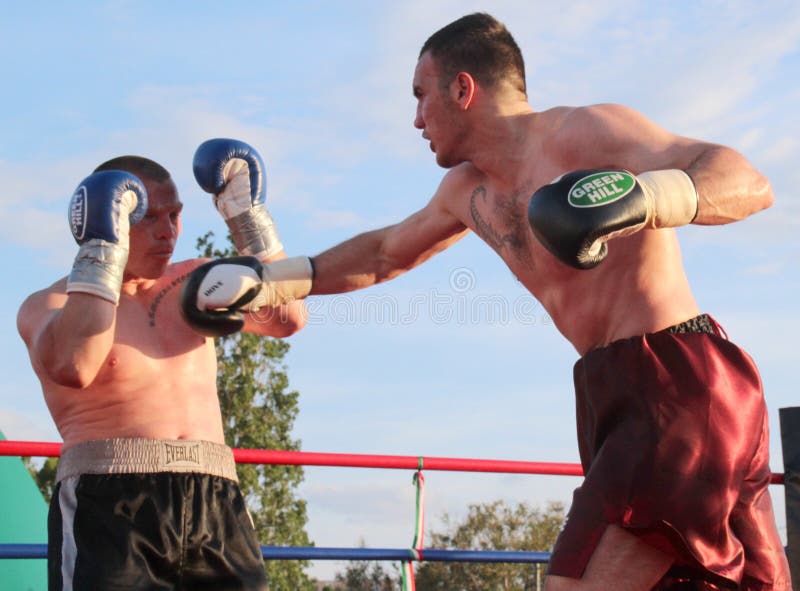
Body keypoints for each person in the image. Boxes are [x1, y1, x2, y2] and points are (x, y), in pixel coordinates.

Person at [182, 12, 791, 591]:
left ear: (462, 89)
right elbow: (384, 252)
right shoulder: (465, 193)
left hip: (677, 379)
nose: (416, 118)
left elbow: (747, 182)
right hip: (620, 393)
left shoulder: (584, 133)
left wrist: (644, 197)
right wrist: (274, 280)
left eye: (421, 94)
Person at [17, 141, 306, 590]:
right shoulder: (49, 305)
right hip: (112, 502)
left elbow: (288, 319)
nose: (167, 231)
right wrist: (101, 252)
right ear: (106, 218)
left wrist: (247, 216)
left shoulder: (194, 279)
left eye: (174, 215)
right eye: (148, 218)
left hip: (216, 497)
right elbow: (75, 364)